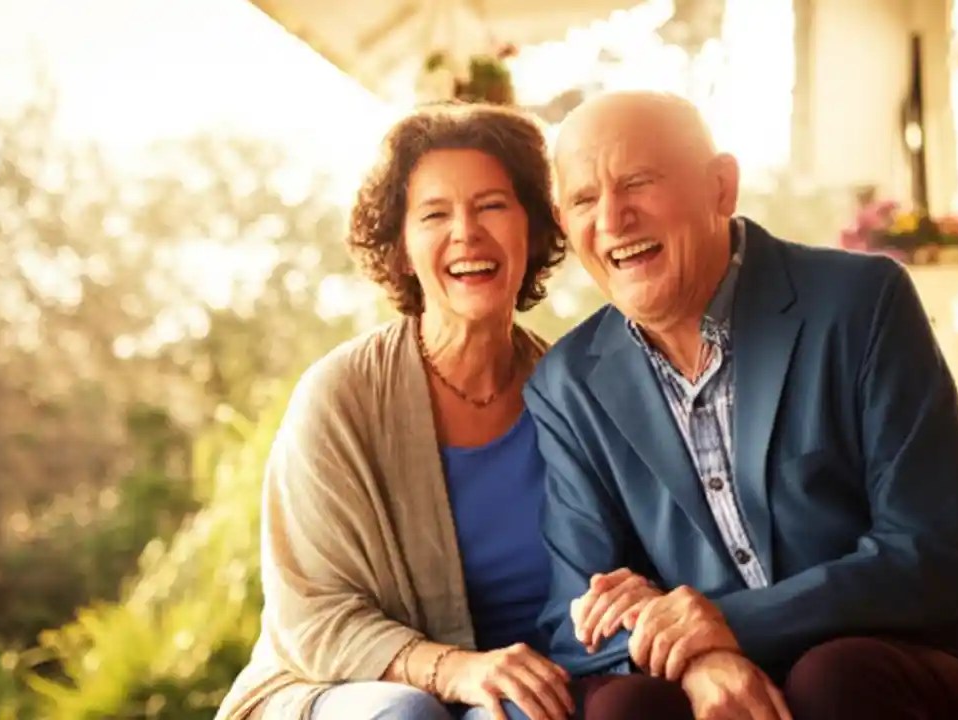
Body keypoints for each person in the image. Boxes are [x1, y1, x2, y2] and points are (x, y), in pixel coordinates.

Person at [523, 91, 958, 719]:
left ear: (722, 187)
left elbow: (927, 557)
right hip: (723, 685)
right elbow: (575, 619)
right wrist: (697, 655)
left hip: (912, 663)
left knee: (832, 677)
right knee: (625, 707)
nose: (611, 219)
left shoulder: (861, 303)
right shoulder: (567, 383)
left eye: (638, 182)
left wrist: (730, 624)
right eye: (584, 200)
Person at [215, 102, 692, 720]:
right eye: (435, 214)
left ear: (535, 230)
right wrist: (457, 669)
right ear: (403, 247)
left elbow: (631, 560)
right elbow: (312, 615)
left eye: (492, 206)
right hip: (350, 686)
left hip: (529, 689)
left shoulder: (575, 392)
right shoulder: (340, 396)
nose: (466, 232)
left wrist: (635, 589)